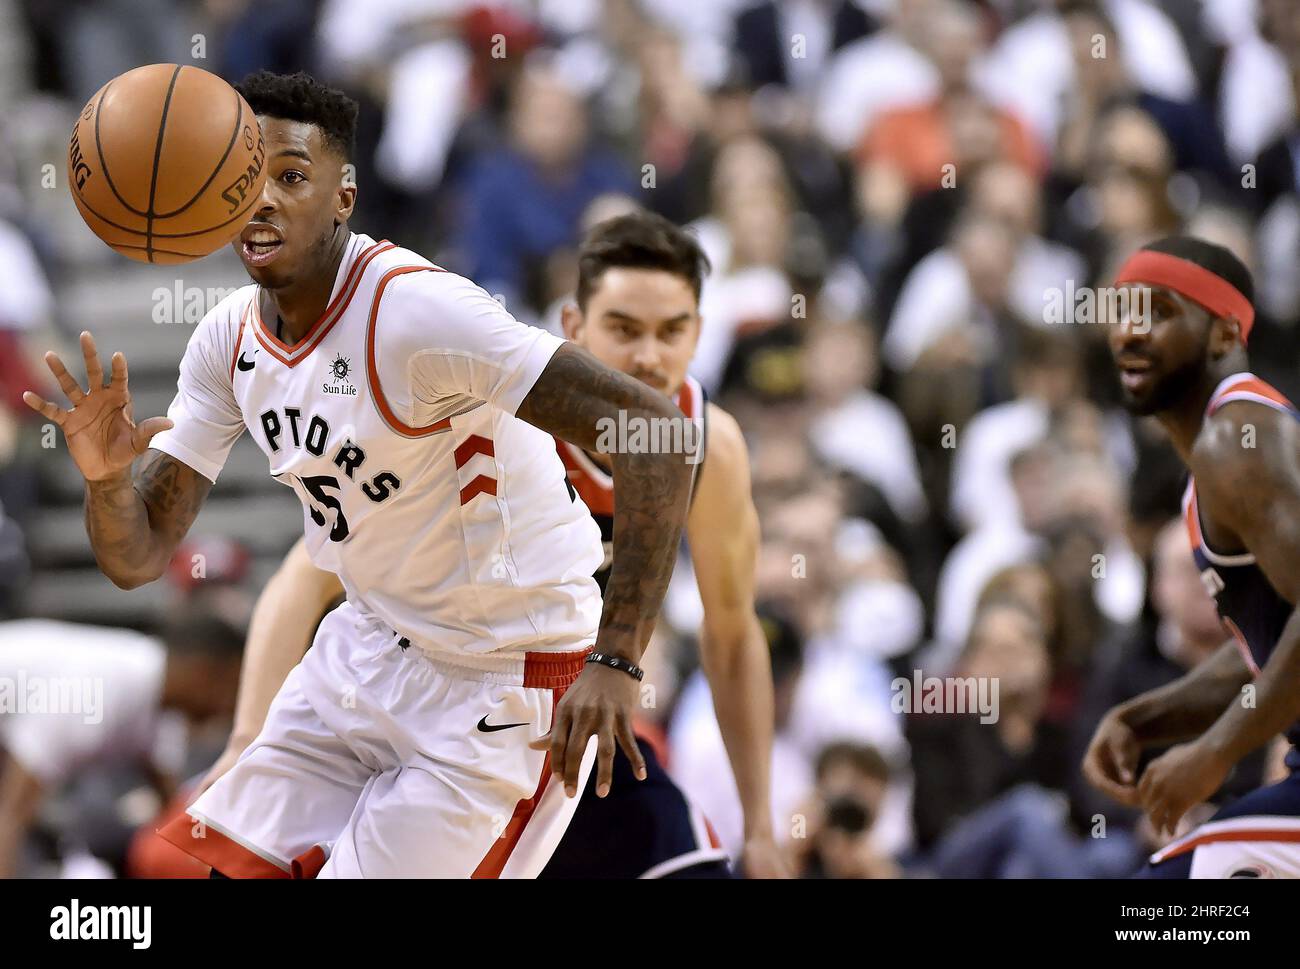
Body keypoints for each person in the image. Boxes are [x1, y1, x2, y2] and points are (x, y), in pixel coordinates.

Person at [22, 71, 695, 879]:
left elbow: (657, 433)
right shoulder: (224, 341)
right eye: (247, 178)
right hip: (366, 646)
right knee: (180, 869)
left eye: (293, 177)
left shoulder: (419, 312)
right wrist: (104, 481)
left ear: (343, 197)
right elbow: (137, 558)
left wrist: (619, 658)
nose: (263, 199)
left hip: (502, 678)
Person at [197, 210, 786, 878]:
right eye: (624, 329)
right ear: (573, 327)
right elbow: (306, 577)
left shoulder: (709, 444)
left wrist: (761, 825)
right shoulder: (501, 396)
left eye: (672, 331)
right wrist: (248, 736)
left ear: (699, 335)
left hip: (578, 726)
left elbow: (733, 636)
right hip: (447, 713)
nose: (648, 355)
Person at [1083, 236, 1300, 878]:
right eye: (1121, 311)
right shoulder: (1225, 444)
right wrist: (1147, 716)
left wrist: (1210, 753)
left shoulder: (1238, 440)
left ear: (1224, 333)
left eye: (1158, 311)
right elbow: (1270, 638)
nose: (1129, 332)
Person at [0, 612, 243, 878]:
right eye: (229, 687)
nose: (227, 707)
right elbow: (10, 812)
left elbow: (172, 811)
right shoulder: (104, 691)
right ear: (202, 670)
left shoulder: (163, 710)